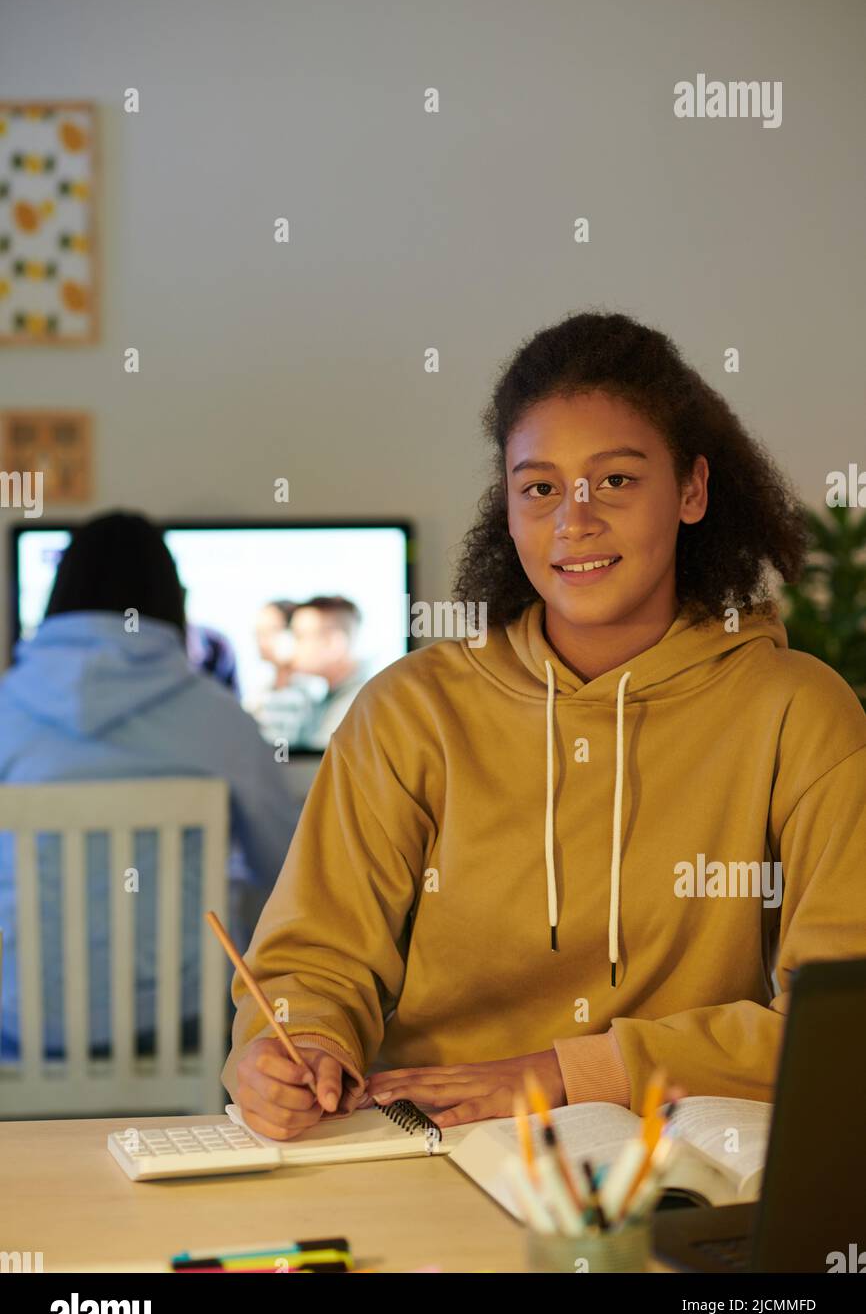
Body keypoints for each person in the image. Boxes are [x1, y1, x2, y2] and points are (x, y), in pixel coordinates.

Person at [221, 309, 866, 1143]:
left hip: (678, 1160)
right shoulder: (410, 711)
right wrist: (297, 1043)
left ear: (693, 490)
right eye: (540, 488)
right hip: (429, 1148)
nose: (574, 519)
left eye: (618, 481)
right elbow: (312, 960)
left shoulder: (798, 712)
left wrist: (566, 1073)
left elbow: (839, 1019)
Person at [0, 511, 301, 1059]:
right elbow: (291, 870)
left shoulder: (7, 710)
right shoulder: (218, 718)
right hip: (177, 1025)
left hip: (24, 1026)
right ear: (171, 599)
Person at [288, 597, 368, 749]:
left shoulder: (361, 703)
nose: (292, 648)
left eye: (299, 636)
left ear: (334, 643)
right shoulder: (326, 698)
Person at [250, 600, 327, 750]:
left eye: (270, 631)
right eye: (258, 632)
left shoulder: (314, 690)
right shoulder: (260, 691)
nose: (261, 640)